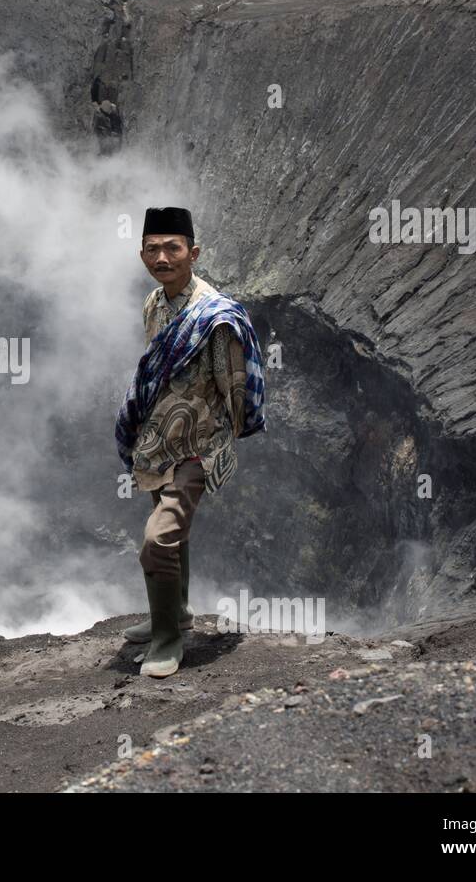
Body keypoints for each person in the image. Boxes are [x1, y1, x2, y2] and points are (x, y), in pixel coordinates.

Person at [115, 206, 266, 678]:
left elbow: (235, 390)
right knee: (172, 536)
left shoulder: (217, 319)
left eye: (172, 248)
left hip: (198, 446)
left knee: (158, 539)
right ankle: (175, 613)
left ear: (193, 253)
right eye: (152, 249)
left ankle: (167, 640)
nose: (162, 257)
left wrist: (216, 445)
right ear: (142, 254)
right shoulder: (154, 305)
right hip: (159, 441)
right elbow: (155, 368)